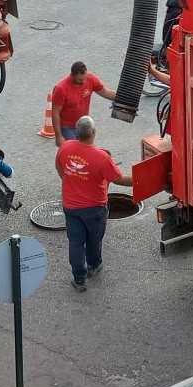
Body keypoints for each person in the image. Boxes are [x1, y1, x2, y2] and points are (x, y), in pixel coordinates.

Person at [55, 116, 132, 292]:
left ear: (76, 131)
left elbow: (59, 167)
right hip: (94, 209)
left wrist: (68, 182)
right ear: (94, 132)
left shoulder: (65, 147)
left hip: (71, 207)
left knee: (75, 243)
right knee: (94, 238)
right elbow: (118, 179)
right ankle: (94, 264)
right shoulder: (101, 157)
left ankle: (79, 279)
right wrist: (142, 180)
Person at [52, 61, 116, 147]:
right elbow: (55, 113)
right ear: (72, 76)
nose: (84, 82)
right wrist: (59, 136)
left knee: (86, 152)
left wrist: (124, 98)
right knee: (73, 153)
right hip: (67, 128)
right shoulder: (61, 89)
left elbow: (104, 92)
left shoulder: (90, 79)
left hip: (83, 125)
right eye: (80, 80)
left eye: (85, 78)